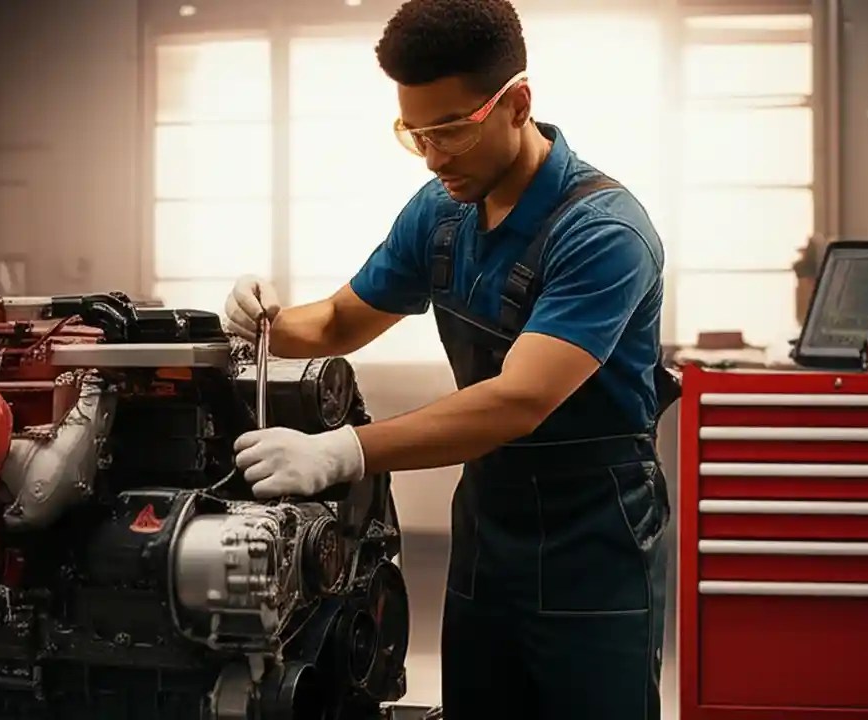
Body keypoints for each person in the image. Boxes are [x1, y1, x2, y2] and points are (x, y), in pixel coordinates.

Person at [223, 0, 670, 717]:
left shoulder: (603, 233)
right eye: (416, 135)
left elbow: (517, 399)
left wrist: (344, 451)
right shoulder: (441, 212)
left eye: (452, 132)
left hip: (595, 538)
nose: (434, 158)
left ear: (517, 103)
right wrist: (262, 321)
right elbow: (340, 318)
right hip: (489, 526)